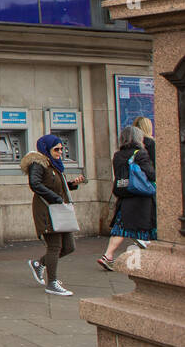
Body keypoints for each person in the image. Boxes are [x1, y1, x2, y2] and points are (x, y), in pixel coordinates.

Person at [23, 135, 87, 295]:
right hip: (47, 210)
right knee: (55, 246)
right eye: (56, 149)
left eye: (61, 148)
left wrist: (72, 184)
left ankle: (39, 264)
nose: (60, 152)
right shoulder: (39, 163)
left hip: (59, 209)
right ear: (47, 149)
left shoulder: (55, 166)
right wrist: (55, 198)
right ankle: (52, 283)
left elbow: (56, 185)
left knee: (69, 247)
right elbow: (35, 184)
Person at [98, 126, 157, 270]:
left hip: (124, 196)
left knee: (121, 227)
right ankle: (147, 259)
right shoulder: (140, 153)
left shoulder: (118, 155)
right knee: (143, 227)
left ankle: (108, 255)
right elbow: (151, 174)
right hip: (140, 196)